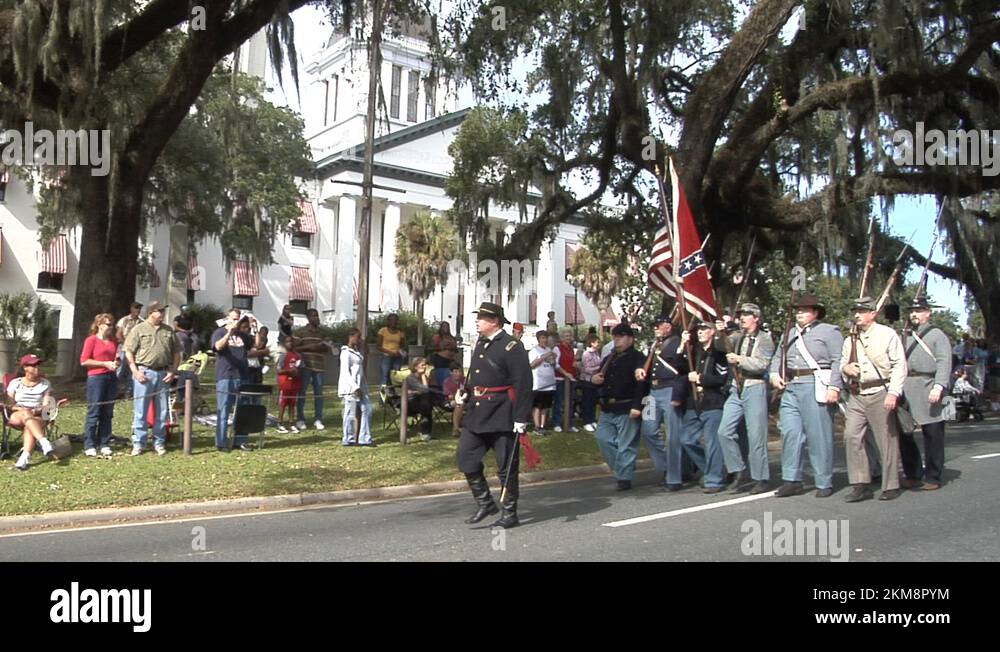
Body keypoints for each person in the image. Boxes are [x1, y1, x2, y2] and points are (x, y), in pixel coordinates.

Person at [453, 301, 533, 529]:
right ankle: (485, 502)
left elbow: (524, 383)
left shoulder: (511, 346)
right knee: (465, 457)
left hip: (502, 414)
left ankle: (509, 512)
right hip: (478, 413)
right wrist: (465, 393)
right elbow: (476, 375)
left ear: (495, 321)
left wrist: (521, 418)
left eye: (481, 318)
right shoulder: (481, 342)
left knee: (506, 466)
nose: (476, 321)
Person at [769, 295, 844, 498]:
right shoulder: (790, 333)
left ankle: (823, 480)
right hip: (792, 385)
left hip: (815, 384)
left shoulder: (829, 331)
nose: (799, 313)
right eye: (798, 310)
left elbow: (839, 360)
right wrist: (774, 374)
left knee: (819, 435)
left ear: (815, 312)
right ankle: (792, 479)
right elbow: (778, 357)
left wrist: (835, 387)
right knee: (790, 433)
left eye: (804, 309)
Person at [840, 296, 907, 502]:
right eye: (855, 312)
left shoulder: (887, 335)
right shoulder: (850, 338)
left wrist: (894, 392)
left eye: (861, 311)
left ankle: (891, 484)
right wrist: (846, 369)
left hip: (881, 392)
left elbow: (899, 365)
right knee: (851, 436)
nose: (857, 315)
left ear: (872, 313)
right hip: (858, 393)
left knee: (885, 440)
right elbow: (842, 363)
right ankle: (860, 484)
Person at [713, 303, 775, 494]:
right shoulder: (738, 337)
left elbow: (762, 364)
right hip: (736, 388)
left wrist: (740, 360)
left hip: (754, 386)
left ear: (756, 317)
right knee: (724, 431)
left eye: (746, 315)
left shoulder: (765, 339)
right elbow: (718, 346)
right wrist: (718, 332)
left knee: (756, 435)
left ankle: (761, 477)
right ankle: (738, 469)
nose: (742, 318)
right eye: (740, 315)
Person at [899, 297, 952, 491]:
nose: (914, 314)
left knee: (933, 434)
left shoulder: (937, 335)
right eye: (912, 310)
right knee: (904, 432)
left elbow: (944, 362)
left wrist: (939, 386)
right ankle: (912, 473)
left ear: (928, 313)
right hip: (907, 385)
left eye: (919, 310)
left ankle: (933, 476)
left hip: (929, 385)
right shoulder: (905, 335)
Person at [590, 322, 647, 490]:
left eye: (620, 337)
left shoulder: (638, 358)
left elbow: (641, 385)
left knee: (627, 444)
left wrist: (637, 406)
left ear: (630, 338)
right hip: (608, 407)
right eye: (615, 337)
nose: (617, 340)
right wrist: (594, 380)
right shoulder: (609, 358)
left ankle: (624, 477)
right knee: (603, 438)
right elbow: (600, 380)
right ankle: (624, 467)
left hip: (627, 405)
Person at [676, 320, 729, 493]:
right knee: (686, 439)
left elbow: (721, 378)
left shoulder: (719, 353)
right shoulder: (695, 352)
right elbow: (680, 367)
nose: (700, 332)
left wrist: (700, 379)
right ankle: (712, 470)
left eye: (704, 329)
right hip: (695, 403)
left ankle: (715, 481)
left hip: (712, 401)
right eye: (698, 329)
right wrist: (683, 345)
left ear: (712, 332)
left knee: (712, 442)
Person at [123, 301, 179, 457]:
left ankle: (159, 442)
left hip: (163, 374)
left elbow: (177, 353)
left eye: (163, 310)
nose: (162, 313)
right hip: (144, 373)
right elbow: (128, 351)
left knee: (162, 412)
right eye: (159, 310)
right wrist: (135, 371)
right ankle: (139, 443)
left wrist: (173, 371)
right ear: (151, 312)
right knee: (141, 410)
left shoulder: (168, 330)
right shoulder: (139, 329)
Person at [636, 315, 685, 490]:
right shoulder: (655, 344)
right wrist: (641, 370)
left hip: (670, 389)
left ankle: (674, 478)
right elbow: (650, 366)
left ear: (668, 326)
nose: (655, 328)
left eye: (658, 325)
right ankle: (665, 467)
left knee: (673, 436)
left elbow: (681, 369)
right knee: (648, 430)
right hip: (653, 392)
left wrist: (678, 395)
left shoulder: (678, 342)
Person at [211, 309, 258, 452]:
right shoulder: (219, 332)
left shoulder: (242, 335)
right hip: (226, 375)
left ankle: (241, 440)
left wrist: (255, 328)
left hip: (242, 376)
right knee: (224, 410)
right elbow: (217, 347)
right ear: (228, 319)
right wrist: (228, 334)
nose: (236, 322)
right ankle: (222, 442)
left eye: (238, 319)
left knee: (242, 410)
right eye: (233, 319)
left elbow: (257, 344)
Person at [5, 354, 59, 470]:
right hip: (17, 414)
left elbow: (46, 406)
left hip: (38, 415)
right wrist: (23, 410)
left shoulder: (45, 384)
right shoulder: (15, 383)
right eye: (33, 365)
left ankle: (24, 457)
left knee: (29, 426)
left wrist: (35, 410)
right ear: (25, 367)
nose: (37, 368)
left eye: (38, 365)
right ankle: (43, 441)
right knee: (26, 414)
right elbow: (10, 405)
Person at [79, 313, 120, 457]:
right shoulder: (91, 340)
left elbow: (115, 357)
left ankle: (104, 442)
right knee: (94, 411)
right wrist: (103, 363)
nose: (111, 327)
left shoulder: (114, 341)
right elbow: (84, 361)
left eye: (112, 324)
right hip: (96, 378)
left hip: (111, 377)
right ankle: (89, 444)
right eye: (108, 324)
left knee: (107, 412)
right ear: (99, 325)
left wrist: (116, 363)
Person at [294, 308, 335, 431]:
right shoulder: (301, 332)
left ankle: (318, 419)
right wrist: (310, 347)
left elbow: (328, 350)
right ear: (308, 318)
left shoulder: (323, 333)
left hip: (319, 367)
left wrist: (327, 347)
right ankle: (300, 419)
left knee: (319, 394)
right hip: (306, 366)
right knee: (302, 393)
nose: (316, 318)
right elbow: (294, 348)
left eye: (317, 315)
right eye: (313, 316)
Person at [339, 328, 374, 446]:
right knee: (350, 414)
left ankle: (365, 438)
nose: (359, 340)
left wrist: (363, 387)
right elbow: (345, 373)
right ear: (351, 337)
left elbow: (360, 371)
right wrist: (354, 387)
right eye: (357, 337)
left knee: (367, 409)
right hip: (350, 389)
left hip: (361, 387)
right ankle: (348, 438)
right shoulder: (345, 353)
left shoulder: (357, 352)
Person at [404, 357, 439, 442]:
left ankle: (426, 434)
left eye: (426, 365)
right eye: (422, 365)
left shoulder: (424, 377)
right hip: (410, 403)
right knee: (426, 404)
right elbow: (425, 389)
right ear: (416, 367)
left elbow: (425, 390)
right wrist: (423, 376)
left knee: (426, 403)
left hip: (422, 402)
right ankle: (425, 434)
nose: (425, 367)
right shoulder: (411, 378)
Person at [528, 330, 557, 434]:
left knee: (546, 406)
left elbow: (553, 364)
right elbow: (531, 365)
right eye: (543, 338)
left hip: (549, 383)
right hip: (539, 383)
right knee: (537, 406)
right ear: (539, 339)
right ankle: (536, 426)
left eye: (546, 338)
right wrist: (544, 356)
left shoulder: (549, 349)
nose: (545, 340)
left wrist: (553, 359)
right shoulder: (534, 351)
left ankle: (542, 425)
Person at [552, 327, 579, 432]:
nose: (568, 338)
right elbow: (556, 364)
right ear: (561, 337)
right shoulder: (557, 348)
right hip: (560, 379)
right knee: (559, 402)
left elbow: (571, 362)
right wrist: (565, 373)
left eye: (570, 336)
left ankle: (570, 423)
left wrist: (576, 366)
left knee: (570, 402)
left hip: (571, 379)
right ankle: (557, 423)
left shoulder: (571, 349)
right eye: (566, 336)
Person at [115, 301, 143, 398]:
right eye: (136, 308)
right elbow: (118, 334)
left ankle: (129, 393)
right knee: (120, 370)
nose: (138, 310)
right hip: (123, 348)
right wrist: (127, 344)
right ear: (131, 309)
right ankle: (115, 392)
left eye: (139, 308)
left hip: (135, 350)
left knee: (132, 371)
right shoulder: (124, 320)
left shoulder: (141, 322)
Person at [276, 337, 303, 433]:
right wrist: (289, 371)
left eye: (291, 341)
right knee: (283, 403)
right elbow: (279, 370)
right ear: (284, 344)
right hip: (285, 382)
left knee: (292, 403)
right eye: (287, 342)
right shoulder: (283, 355)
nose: (290, 343)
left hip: (294, 383)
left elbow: (300, 368)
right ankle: (280, 423)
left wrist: (297, 373)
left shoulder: (298, 356)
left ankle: (291, 423)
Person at [579, 334, 603, 432]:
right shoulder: (586, 354)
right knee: (587, 401)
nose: (599, 344)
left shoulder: (597, 353)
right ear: (592, 343)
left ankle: (592, 419)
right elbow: (586, 368)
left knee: (593, 401)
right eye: (597, 342)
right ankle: (586, 421)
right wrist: (598, 368)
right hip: (587, 380)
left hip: (595, 380)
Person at [377, 313, 406, 386]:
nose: (394, 322)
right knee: (385, 376)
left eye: (395, 320)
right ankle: (383, 395)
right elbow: (378, 346)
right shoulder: (382, 331)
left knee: (395, 376)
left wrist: (403, 338)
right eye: (392, 320)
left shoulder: (399, 332)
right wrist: (389, 352)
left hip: (397, 357)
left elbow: (402, 346)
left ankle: (393, 394)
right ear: (388, 321)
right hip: (386, 357)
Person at [430, 321, 459, 387]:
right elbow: (432, 347)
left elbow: (456, 349)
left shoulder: (451, 337)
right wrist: (443, 347)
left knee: (451, 374)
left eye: (447, 326)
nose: (445, 328)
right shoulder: (437, 337)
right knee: (442, 373)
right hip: (441, 358)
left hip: (451, 359)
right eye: (444, 326)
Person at [442, 363, 465, 438]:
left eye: (459, 371)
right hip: (449, 402)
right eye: (455, 371)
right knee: (459, 403)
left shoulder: (464, 380)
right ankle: (456, 429)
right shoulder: (447, 382)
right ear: (451, 372)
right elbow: (449, 396)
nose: (458, 374)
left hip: (465, 400)